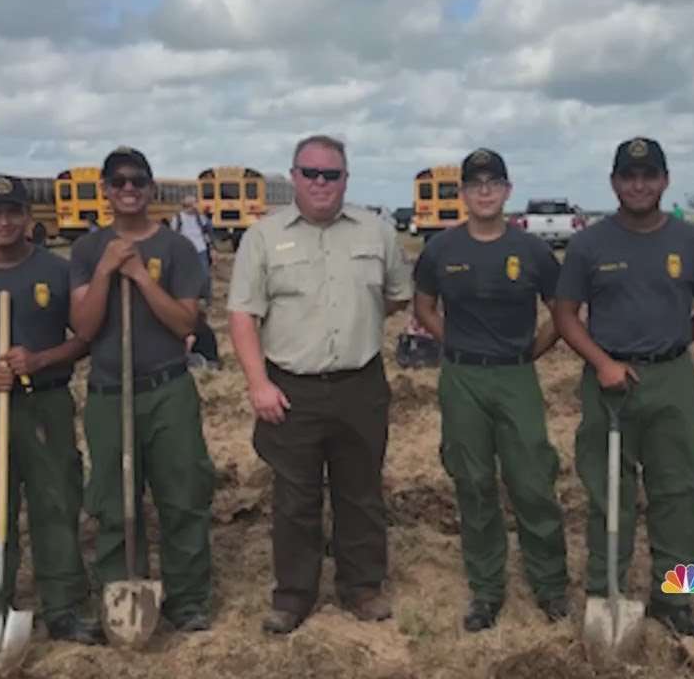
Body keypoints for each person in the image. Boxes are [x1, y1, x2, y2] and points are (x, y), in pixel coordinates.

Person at [227, 134, 412, 635]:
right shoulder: (263, 237)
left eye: (332, 174)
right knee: (294, 498)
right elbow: (243, 314)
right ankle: (293, 596)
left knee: (361, 492)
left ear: (346, 179)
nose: (321, 183)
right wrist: (258, 384)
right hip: (291, 389)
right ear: (294, 178)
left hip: (360, 384)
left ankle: (362, 588)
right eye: (310, 173)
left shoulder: (377, 232)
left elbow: (396, 296)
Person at [552, 136, 694, 637]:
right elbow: (566, 315)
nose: (639, 185)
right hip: (607, 381)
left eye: (649, 175)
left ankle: (677, 599)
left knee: (681, 492)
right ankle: (604, 591)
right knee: (609, 491)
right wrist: (605, 362)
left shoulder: (689, 241)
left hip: (671, 378)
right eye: (628, 176)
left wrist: (672, 341)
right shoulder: (590, 243)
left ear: (665, 181)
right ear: (613, 184)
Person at [0, 175, 105, 645]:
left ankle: (64, 604)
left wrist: (41, 359)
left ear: (28, 216)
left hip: (45, 401)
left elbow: (84, 337)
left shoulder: (56, 269)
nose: (3, 221)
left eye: (12, 211)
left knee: (57, 499)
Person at [412, 148, 572, 632]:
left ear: (507, 190)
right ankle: (485, 589)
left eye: (493, 183)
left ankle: (550, 585)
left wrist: (529, 354)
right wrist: (455, 345)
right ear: (461, 193)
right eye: (474, 184)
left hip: (515, 375)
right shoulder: (441, 249)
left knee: (531, 480)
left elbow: (561, 312)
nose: (484, 192)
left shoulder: (532, 251)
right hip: (463, 377)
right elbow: (423, 307)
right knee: (474, 482)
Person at [69, 146, 216, 632]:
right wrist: (107, 271)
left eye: (138, 181)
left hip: (167, 388)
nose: (128, 189)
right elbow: (84, 329)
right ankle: (122, 589)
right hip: (110, 392)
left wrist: (138, 276)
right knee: (113, 499)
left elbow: (183, 322)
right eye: (119, 182)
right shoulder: (88, 250)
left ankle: (188, 598)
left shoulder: (176, 250)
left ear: (150, 189)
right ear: (106, 191)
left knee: (182, 493)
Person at [172, 196, 221, 368]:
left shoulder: (201, 219)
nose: (193, 207)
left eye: (194, 204)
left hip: (200, 250)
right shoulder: (177, 219)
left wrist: (213, 250)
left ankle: (206, 301)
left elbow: (209, 234)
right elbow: (174, 236)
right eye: (190, 205)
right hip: (185, 252)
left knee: (205, 276)